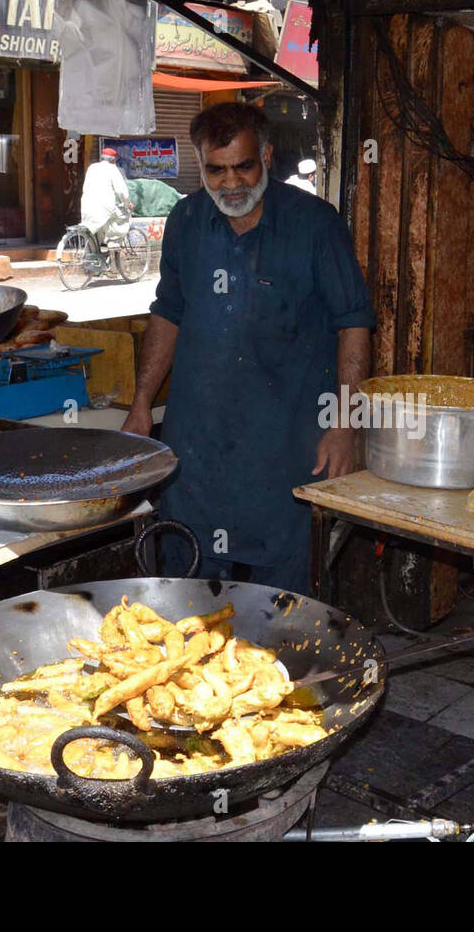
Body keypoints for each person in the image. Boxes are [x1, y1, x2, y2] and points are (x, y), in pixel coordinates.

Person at [121, 103, 373, 594]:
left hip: (287, 445)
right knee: (186, 591)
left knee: (285, 600)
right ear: (200, 165)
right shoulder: (186, 221)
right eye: (216, 170)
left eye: (244, 166)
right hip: (197, 447)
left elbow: (354, 323)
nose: (231, 183)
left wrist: (345, 423)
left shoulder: (315, 225)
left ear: (267, 156)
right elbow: (167, 312)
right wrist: (140, 404)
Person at [80, 147, 132, 245]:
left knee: (93, 228)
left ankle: (92, 252)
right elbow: (121, 191)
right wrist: (127, 203)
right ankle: (114, 245)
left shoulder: (92, 167)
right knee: (121, 218)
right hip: (104, 209)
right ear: (113, 160)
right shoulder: (113, 169)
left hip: (87, 207)